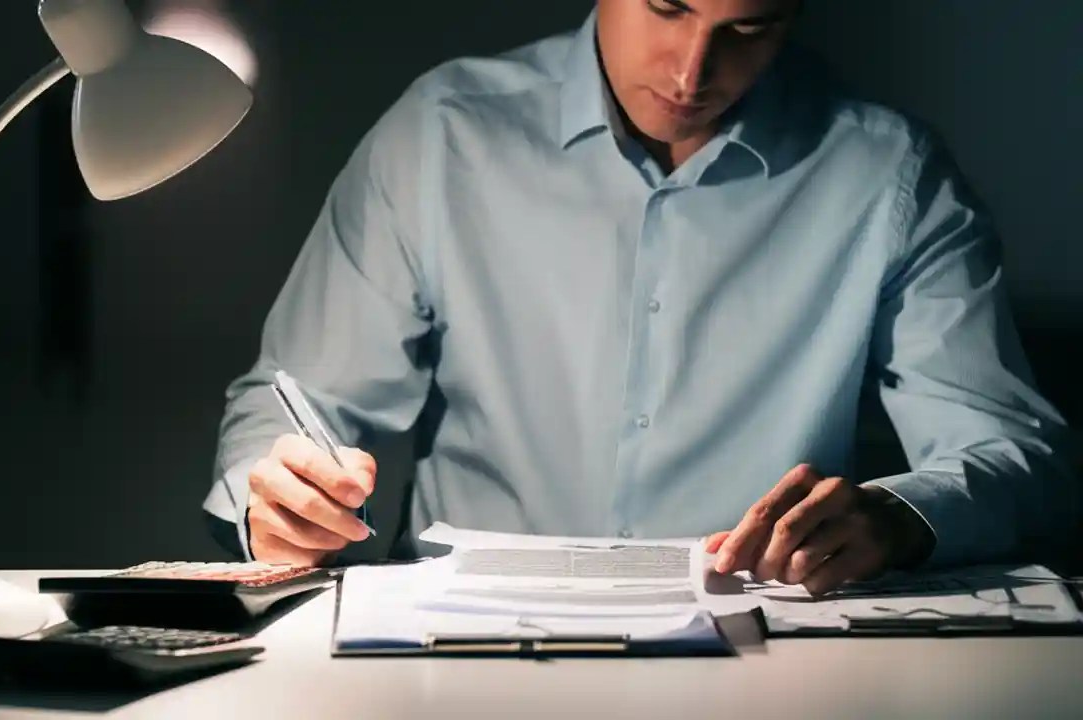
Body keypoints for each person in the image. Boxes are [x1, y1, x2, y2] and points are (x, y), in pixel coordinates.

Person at [203, 0, 1077, 593]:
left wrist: (899, 516)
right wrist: (273, 498)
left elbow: (1016, 455)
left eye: (749, 27)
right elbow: (292, 400)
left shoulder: (892, 174)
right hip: (463, 647)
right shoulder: (442, 134)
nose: (693, 70)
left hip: (767, 662)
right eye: (665, 5)